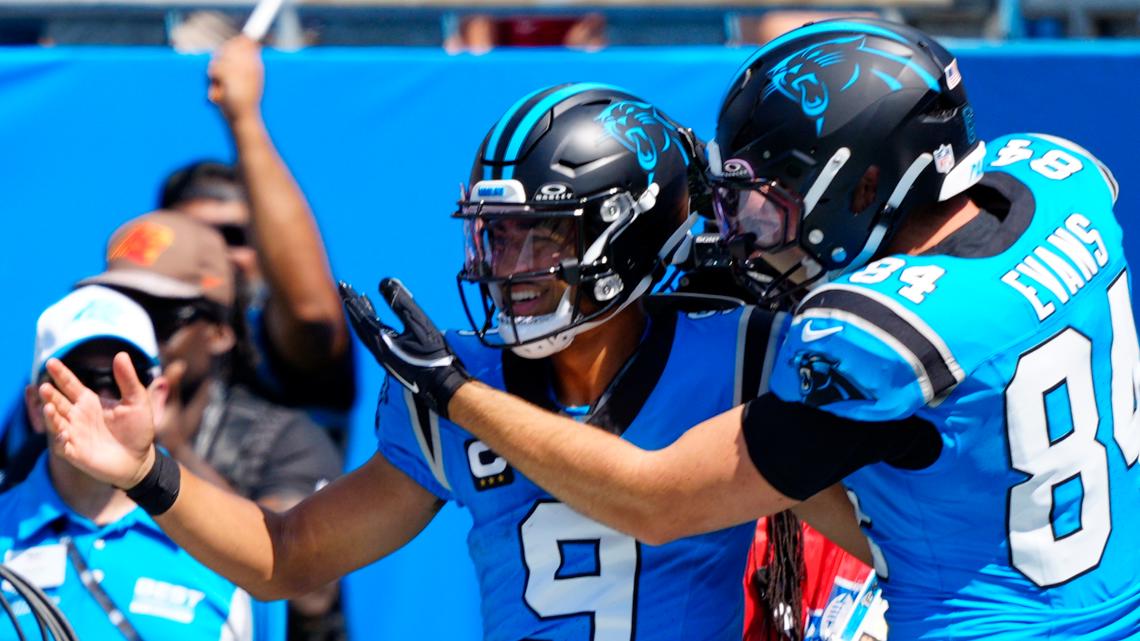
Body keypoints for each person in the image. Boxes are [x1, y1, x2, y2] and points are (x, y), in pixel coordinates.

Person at [329, 18, 1140, 640]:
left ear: (861, 185)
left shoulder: (869, 337)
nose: (751, 229)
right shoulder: (1058, 181)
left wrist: (457, 394)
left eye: (771, 199)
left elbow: (657, 500)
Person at [31, 84, 866, 640]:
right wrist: (147, 471)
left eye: (545, 234)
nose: (513, 265)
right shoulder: (449, 385)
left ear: (630, 233)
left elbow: (874, 539)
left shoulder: (741, 356)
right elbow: (287, 556)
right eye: (498, 235)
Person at [1, 285, 254, 641]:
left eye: (124, 381)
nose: (98, 402)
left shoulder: (227, 547)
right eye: (74, 382)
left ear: (159, 398)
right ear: (34, 407)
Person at [163, 35, 356, 438]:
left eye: (236, 235)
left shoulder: (278, 346)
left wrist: (243, 119)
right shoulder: (115, 348)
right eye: (195, 236)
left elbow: (311, 315)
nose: (216, 253)